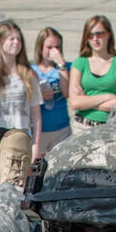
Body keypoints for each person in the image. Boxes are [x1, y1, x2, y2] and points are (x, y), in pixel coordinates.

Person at [0, 22, 42, 188]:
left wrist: (36, 144)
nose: (16, 42)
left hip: (19, 134)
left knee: (16, 189)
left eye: (19, 39)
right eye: (11, 39)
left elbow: (36, 112)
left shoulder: (28, 73)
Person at [68, 14, 116, 128]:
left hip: (111, 127)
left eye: (99, 34)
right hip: (82, 126)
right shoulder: (79, 62)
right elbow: (75, 103)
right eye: (90, 35)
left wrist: (86, 101)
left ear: (108, 34)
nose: (95, 39)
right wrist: (108, 96)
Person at [32, 27, 72, 156]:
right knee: (37, 171)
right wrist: (39, 96)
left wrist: (60, 64)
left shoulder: (66, 67)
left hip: (60, 128)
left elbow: (66, 93)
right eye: (49, 47)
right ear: (40, 47)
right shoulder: (31, 69)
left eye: (57, 47)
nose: (53, 51)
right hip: (39, 130)